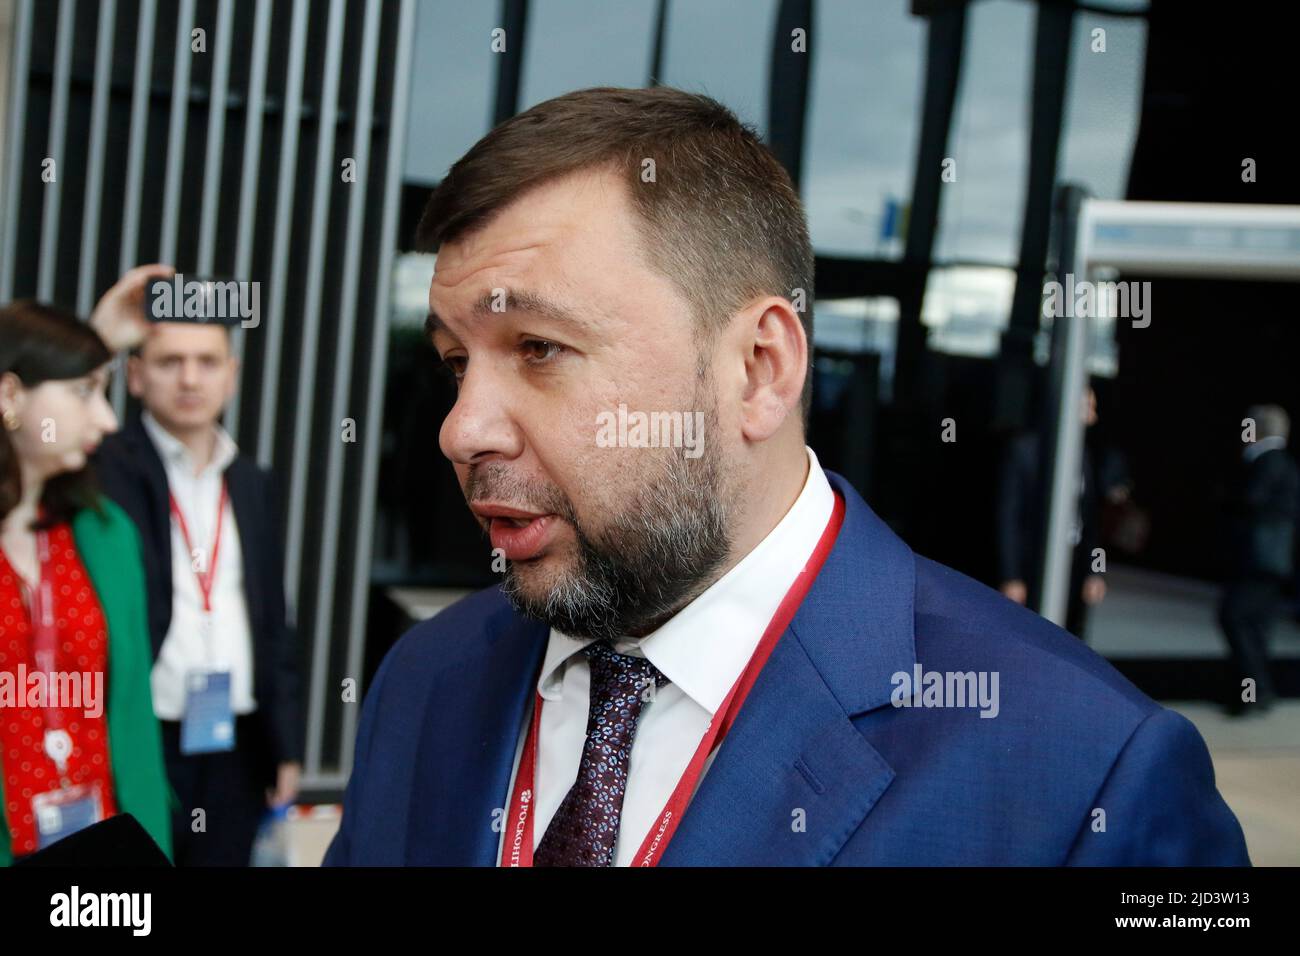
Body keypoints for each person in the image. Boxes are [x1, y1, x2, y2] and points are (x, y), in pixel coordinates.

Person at [324, 86, 1248, 866]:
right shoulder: (427, 679)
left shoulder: (1082, 774)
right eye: (455, 362)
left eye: (539, 348)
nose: (461, 429)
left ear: (759, 368)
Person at [92, 284, 302, 866]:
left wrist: (285, 746)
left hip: (235, 738)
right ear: (134, 376)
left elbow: (272, 621)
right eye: (169, 362)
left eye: (207, 362)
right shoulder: (103, 466)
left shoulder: (253, 482)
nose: (190, 379)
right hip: (143, 732)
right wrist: (100, 339)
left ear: (230, 376)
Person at [0, 281, 173, 864]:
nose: (104, 419)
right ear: (10, 396)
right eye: (83, 392)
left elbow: (130, 710)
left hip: (101, 847)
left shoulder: (103, 532)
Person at [997, 385, 1128, 639]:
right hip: (1033, 563)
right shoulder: (1025, 450)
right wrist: (1011, 575)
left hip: (1075, 563)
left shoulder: (1084, 454)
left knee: (1072, 638)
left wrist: (1095, 571)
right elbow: (1008, 518)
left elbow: (1091, 522)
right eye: (1088, 407)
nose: (1094, 415)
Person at [1218, 404, 1298, 716]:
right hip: (1276, 560)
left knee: (1235, 618)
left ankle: (1254, 692)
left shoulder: (1266, 461)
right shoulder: (1287, 464)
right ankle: (1256, 692)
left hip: (1256, 558)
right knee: (1257, 626)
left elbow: (1251, 501)